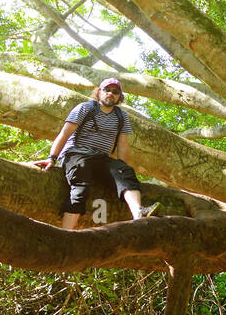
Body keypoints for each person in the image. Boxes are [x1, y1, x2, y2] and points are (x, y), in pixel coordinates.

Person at [33, 77, 156, 228]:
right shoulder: (85, 108)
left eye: (115, 92)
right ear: (99, 92)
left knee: (125, 172)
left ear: (119, 97)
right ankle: (66, 234)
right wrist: (52, 157)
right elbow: (64, 134)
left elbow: (123, 145)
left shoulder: (121, 116)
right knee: (80, 188)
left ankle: (138, 213)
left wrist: (119, 171)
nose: (111, 94)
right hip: (76, 154)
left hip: (101, 158)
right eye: (107, 90)